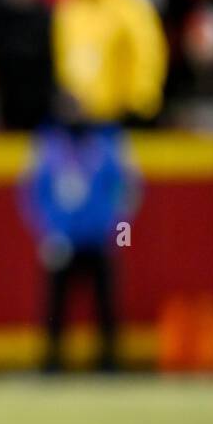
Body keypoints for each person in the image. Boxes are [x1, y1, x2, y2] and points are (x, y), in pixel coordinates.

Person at [25, 121, 140, 372]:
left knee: (106, 303)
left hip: (97, 239)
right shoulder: (51, 152)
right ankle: (52, 360)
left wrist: (114, 226)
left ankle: (109, 360)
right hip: (62, 240)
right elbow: (35, 194)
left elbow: (125, 189)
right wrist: (48, 232)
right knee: (56, 304)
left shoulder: (107, 150)